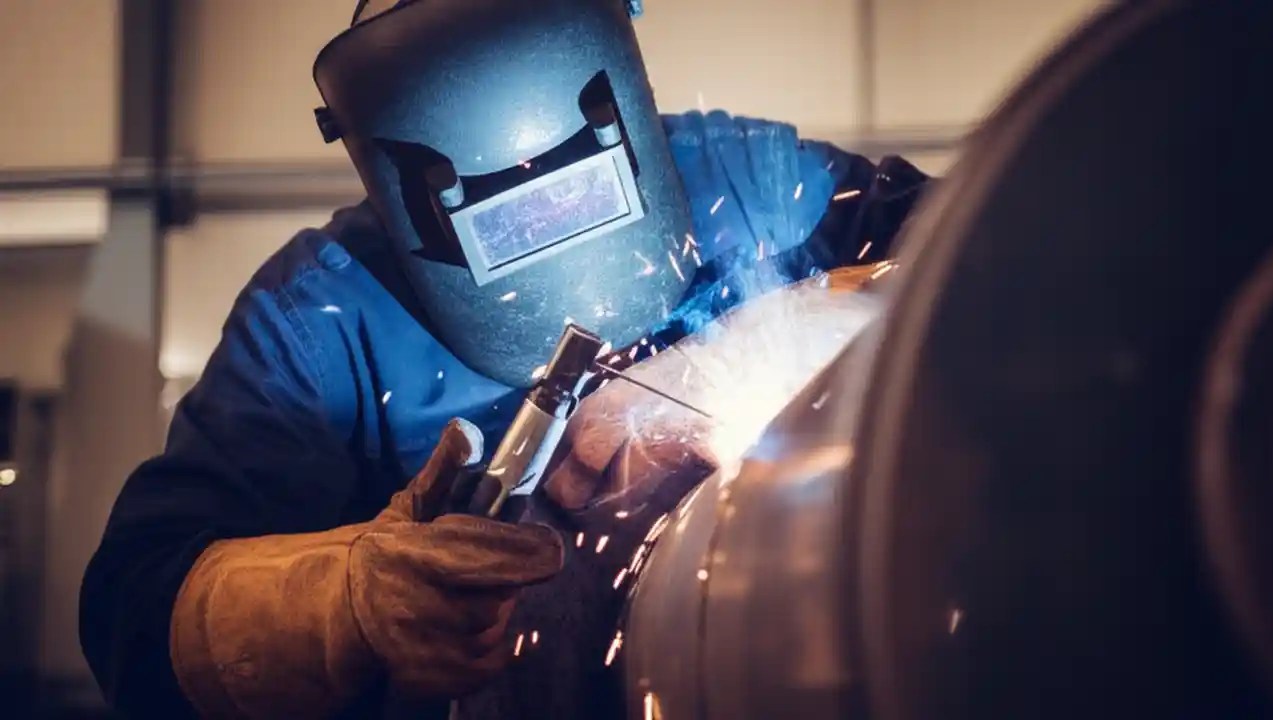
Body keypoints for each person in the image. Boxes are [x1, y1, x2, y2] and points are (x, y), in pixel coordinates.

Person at [79, 1, 930, 718]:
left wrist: (790, 328)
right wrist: (340, 603)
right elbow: (132, 610)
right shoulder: (322, 322)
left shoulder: (743, 180)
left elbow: (985, 269)